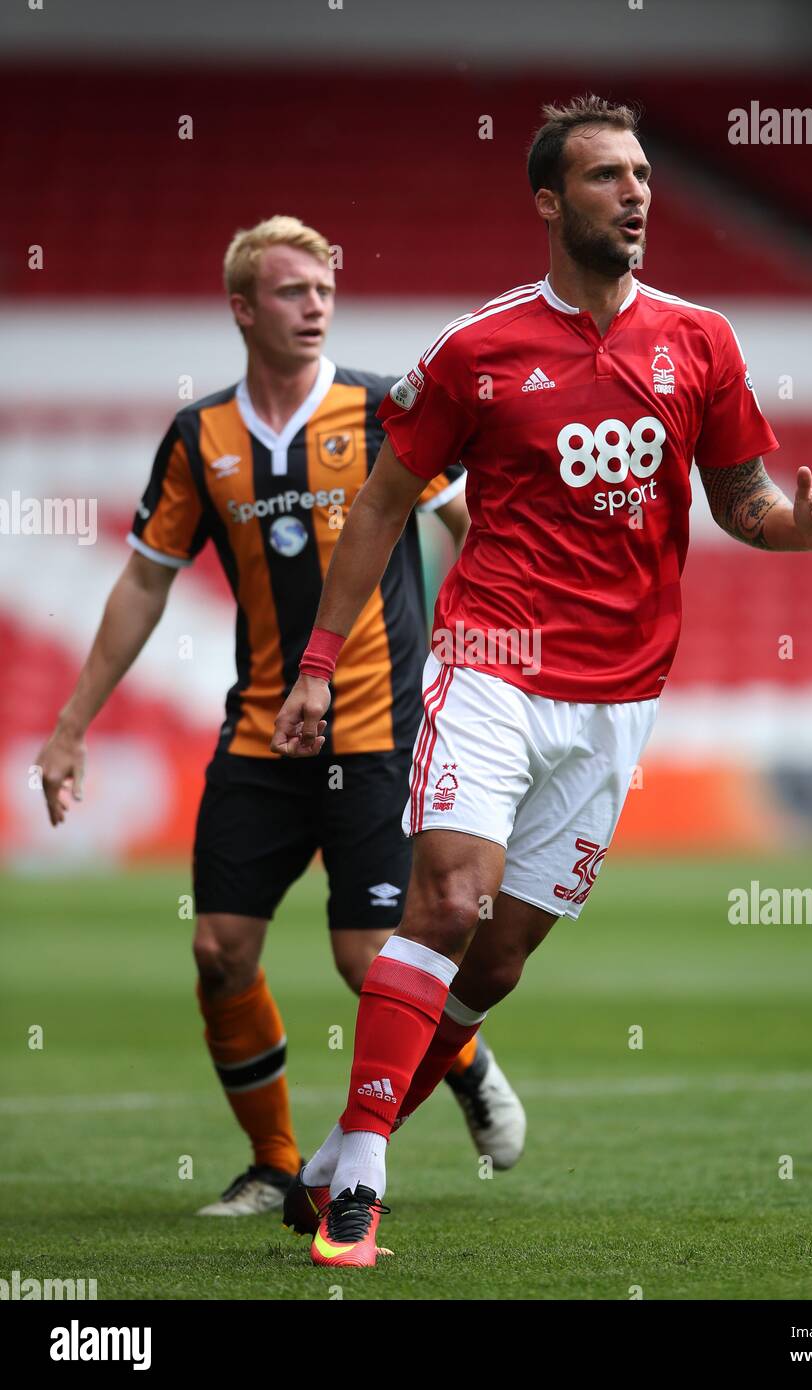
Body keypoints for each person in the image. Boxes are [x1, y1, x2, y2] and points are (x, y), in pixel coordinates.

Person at [272, 96, 812, 1268]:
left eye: (642, 173)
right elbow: (384, 504)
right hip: (491, 662)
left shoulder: (702, 341)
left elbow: (741, 499)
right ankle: (362, 1192)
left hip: (620, 699)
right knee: (443, 902)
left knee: (494, 960)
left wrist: (795, 528)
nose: (636, 193)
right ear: (549, 202)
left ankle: (348, 1136)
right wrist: (320, 667)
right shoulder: (475, 352)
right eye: (606, 177)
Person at [36, 215, 526, 1220]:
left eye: (325, 290)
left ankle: (466, 1059)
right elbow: (143, 581)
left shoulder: (388, 409)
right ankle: (272, 1162)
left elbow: (468, 526)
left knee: (366, 960)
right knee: (218, 948)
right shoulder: (199, 438)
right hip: (260, 731)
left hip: (379, 730)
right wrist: (73, 721)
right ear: (243, 309)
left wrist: (493, 654)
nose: (315, 306)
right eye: (293, 290)